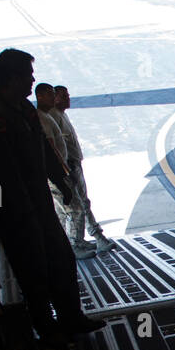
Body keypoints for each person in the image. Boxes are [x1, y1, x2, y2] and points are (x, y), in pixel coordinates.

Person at [0, 49, 104, 348]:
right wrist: (23, 213)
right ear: (12, 78)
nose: (33, 80)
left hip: (40, 206)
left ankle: (71, 317)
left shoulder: (23, 109)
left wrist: (61, 179)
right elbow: (3, 172)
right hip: (19, 213)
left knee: (61, 260)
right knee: (34, 273)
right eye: (27, 75)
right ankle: (48, 331)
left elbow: (44, 150)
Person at [51, 85, 114, 253]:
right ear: (53, 98)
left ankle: (73, 241)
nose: (67, 98)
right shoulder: (52, 117)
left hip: (73, 164)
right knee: (76, 206)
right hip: (67, 167)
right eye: (63, 96)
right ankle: (82, 240)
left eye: (67, 95)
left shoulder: (61, 115)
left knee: (75, 205)